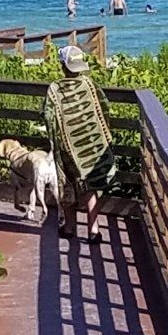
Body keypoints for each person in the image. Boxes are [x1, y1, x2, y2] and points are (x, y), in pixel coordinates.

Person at [44, 44, 117, 240]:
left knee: (68, 183)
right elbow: (105, 109)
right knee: (91, 185)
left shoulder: (55, 89)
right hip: (92, 147)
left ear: (63, 67)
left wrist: (58, 140)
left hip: (68, 147)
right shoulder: (89, 85)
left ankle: (69, 227)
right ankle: (93, 230)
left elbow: (48, 116)